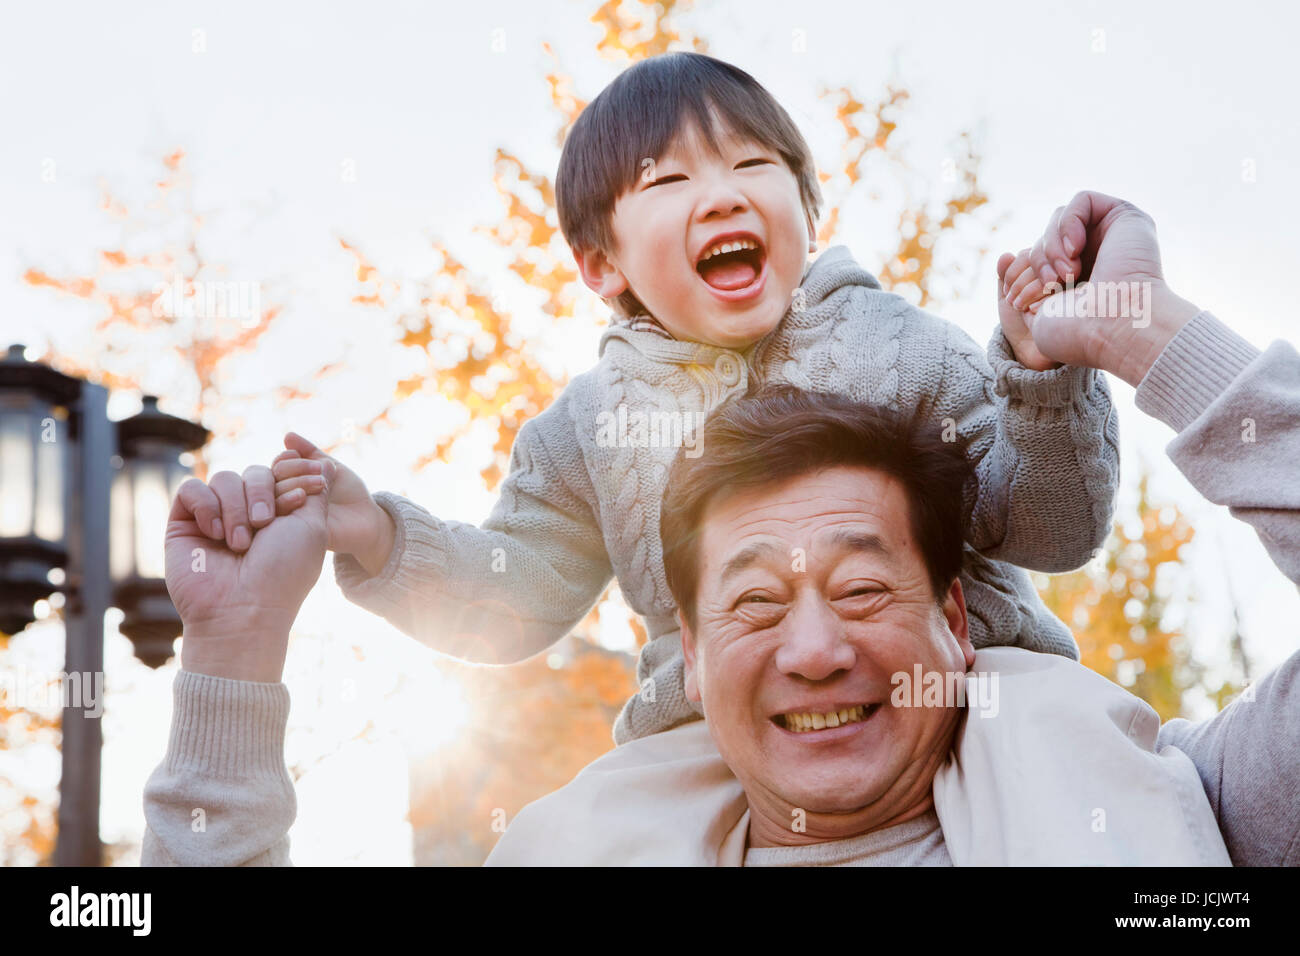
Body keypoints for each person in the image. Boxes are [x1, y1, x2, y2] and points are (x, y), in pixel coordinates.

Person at [146, 189, 1297, 865]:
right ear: (688, 657)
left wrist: (1148, 337)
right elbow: (506, 577)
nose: (813, 649)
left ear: (956, 616)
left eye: (860, 589)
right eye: (751, 601)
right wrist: (234, 657)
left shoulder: (1174, 802)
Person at [173, 51, 1117, 756]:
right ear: (602, 263)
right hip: (715, 737)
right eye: (668, 181)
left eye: (752, 168)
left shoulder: (898, 345)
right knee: (587, 836)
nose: (719, 197)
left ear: (807, 207)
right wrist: (378, 536)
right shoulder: (590, 428)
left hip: (967, 695)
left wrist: (1043, 375)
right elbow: (518, 592)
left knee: (1081, 773)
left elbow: (1051, 526)